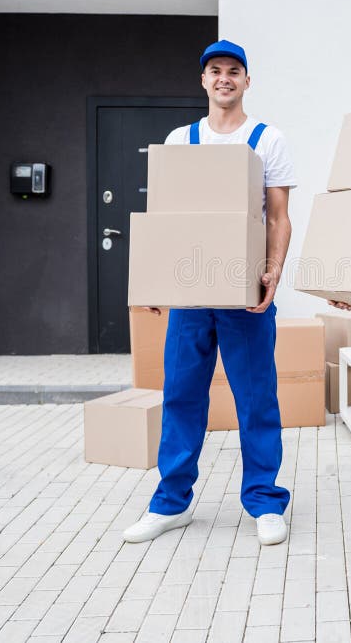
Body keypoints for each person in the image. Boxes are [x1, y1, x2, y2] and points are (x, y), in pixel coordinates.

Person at [124, 40, 296, 547]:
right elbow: (169, 217)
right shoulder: (182, 139)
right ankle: (170, 502)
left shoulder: (267, 139)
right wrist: (157, 277)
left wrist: (273, 272)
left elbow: (280, 216)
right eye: (215, 71)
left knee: (256, 398)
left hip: (244, 294)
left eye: (234, 71)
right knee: (181, 395)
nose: (225, 78)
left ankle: (264, 501)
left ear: (247, 81)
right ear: (203, 81)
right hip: (192, 295)